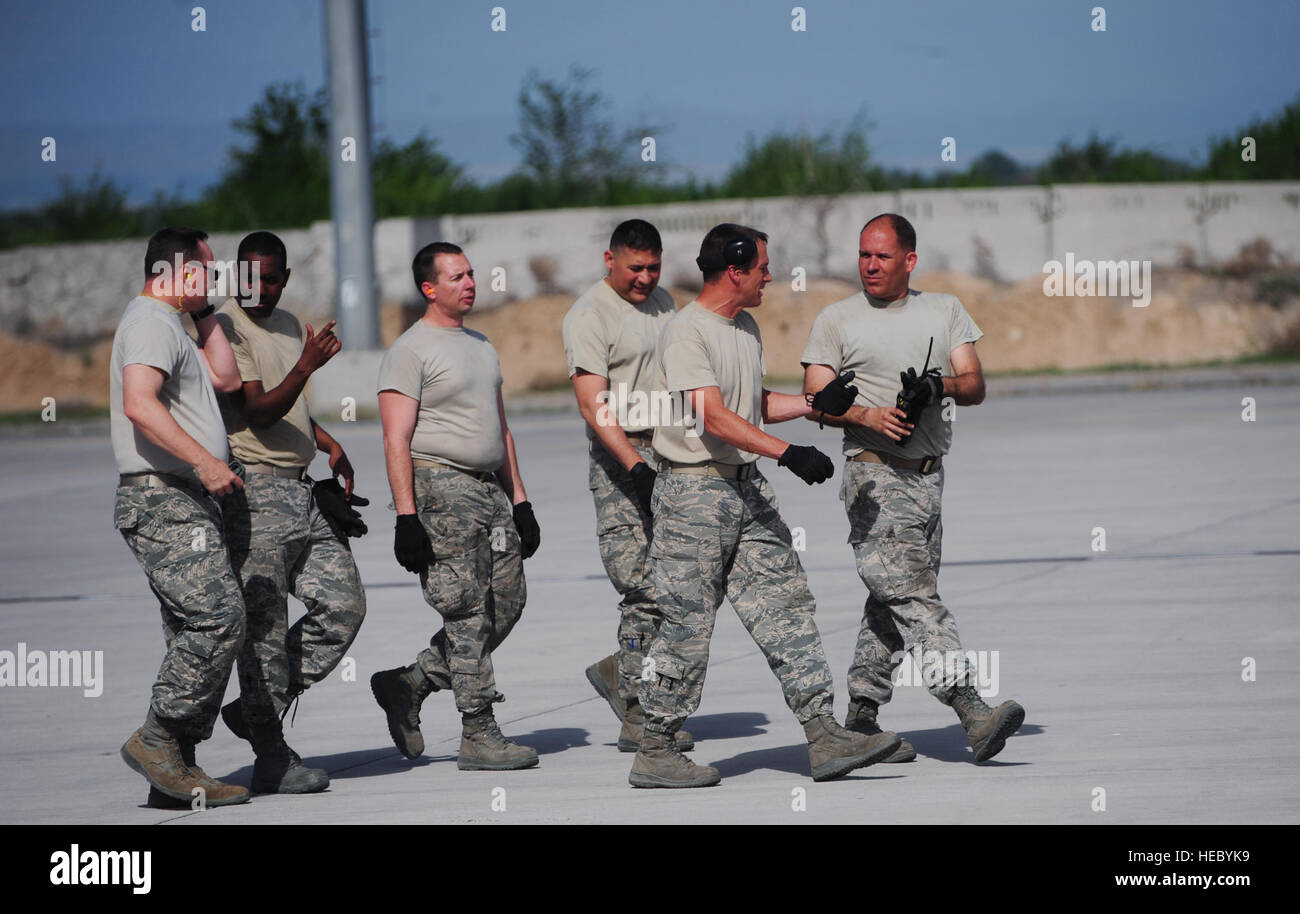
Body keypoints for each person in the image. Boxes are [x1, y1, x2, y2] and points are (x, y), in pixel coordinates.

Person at [629, 223, 901, 789]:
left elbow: (749, 406)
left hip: (745, 488)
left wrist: (812, 405)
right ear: (735, 268)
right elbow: (712, 416)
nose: (770, 275)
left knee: (786, 605)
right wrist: (787, 454)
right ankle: (655, 748)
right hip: (692, 493)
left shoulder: (744, 326)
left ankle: (824, 733)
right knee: (686, 624)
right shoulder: (687, 331)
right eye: (762, 266)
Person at [800, 213, 1025, 763]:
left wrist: (934, 385)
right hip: (873, 474)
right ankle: (970, 707)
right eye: (863, 255)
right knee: (915, 599)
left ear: (909, 260)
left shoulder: (944, 310)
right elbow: (814, 398)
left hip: (928, 477)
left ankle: (860, 717)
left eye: (881, 256)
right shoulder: (836, 319)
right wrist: (868, 416)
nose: (869, 265)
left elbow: (973, 385)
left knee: (891, 600)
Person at [370, 242, 542, 771]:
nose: (470, 283)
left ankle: (412, 681)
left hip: (489, 490)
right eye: (457, 276)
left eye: (470, 274)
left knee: (505, 603)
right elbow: (395, 438)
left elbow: (500, 427)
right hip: (442, 490)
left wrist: (520, 499)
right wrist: (405, 516)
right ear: (429, 288)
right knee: (466, 610)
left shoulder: (481, 344)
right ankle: (479, 732)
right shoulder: (410, 350)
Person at [212, 231, 368, 793]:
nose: (263, 289)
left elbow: (290, 409)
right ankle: (272, 755)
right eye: (252, 278)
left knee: (345, 605)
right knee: (265, 629)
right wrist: (307, 365)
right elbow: (255, 411)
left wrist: (325, 441)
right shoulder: (225, 328)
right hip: (256, 493)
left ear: (285, 278)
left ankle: (258, 706)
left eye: (273, 278)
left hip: (300, 490)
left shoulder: (288, 322)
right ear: (235, 277)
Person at [112, 226, 250, 807]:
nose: (215, 278)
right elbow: (138, 403)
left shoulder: (172, 323)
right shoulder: (148, 322)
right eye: (208, 269)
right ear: (177, 270)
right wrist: (205, 462)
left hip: (185, 495)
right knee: (218, 618)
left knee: (190, 627)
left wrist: (207, 306)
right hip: (161, 495)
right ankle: (157, 739)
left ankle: (176, 769)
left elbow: (226, 379)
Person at [562, 219, 695, 753]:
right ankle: (638, 709)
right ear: (609, 260)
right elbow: (592, 403)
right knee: (640, 583)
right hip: (622, 455)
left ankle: (624, 669)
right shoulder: (589, 315)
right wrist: (634, 468)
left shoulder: (665, 304)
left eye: (653, 267)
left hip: (669, 449)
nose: (645, 278)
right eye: (635, 268)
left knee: (676, 582)